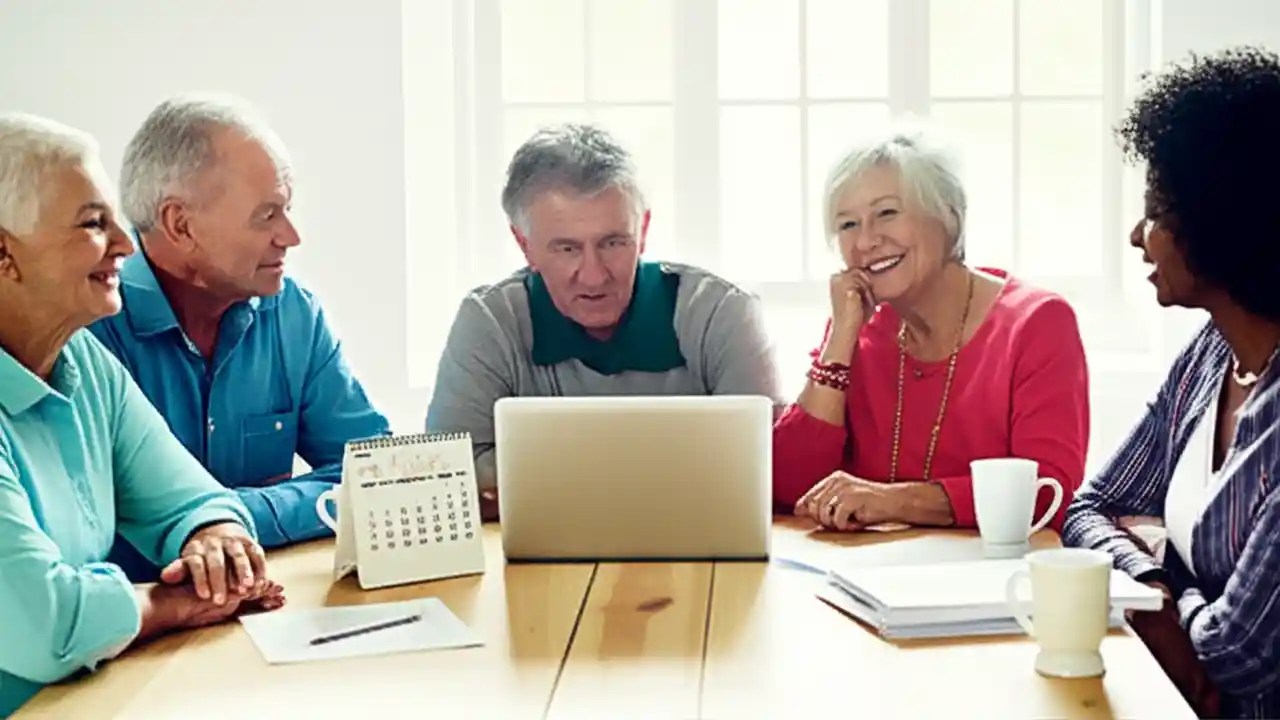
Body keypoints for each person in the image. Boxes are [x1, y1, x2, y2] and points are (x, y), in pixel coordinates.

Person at [0, 113, 285, 717]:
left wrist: (217, 540)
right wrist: (171, 604)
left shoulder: (83, 362)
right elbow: (44, 625)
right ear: (3, 253)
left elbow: (191, 499)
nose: (127, 245)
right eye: (93, 224)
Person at [1062, 46, 1280, 719]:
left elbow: (1236, 656)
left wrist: (1164, 584)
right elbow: (1088, 509)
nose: (1138, 235)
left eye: (1155, 211)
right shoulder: (1209, 356)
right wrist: (1153, 580)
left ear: (1226, 220)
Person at [89, 95, 391, 576]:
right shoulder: (88, 327)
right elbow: (95, 525)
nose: (291, 236)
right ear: (180, 225)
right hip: (143, 614)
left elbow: (378, 475)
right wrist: (216, 525)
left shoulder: (293, 313)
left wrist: (224, 521)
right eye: (266, 215)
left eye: (287, 209)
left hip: (272, 596)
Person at [426, 123, 783, 519]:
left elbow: (769, 466)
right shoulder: (490, 321)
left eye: (613, 243)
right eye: (567, 249)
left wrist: (551, 475)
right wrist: (659, 471)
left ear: (642, 231)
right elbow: (446, 476)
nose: (594, 276)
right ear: (524, 245)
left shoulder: (724, 313)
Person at [774, 123, 1090, 532]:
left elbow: (1047, 491)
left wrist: (893, 501)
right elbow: (788, 487)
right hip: (866, 566)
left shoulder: (1037, 322)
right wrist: (839, 340)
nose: (865, 241)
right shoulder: (856, 329)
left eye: (887, 213)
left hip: (992, 566)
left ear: (948, 218)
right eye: (847, 225)